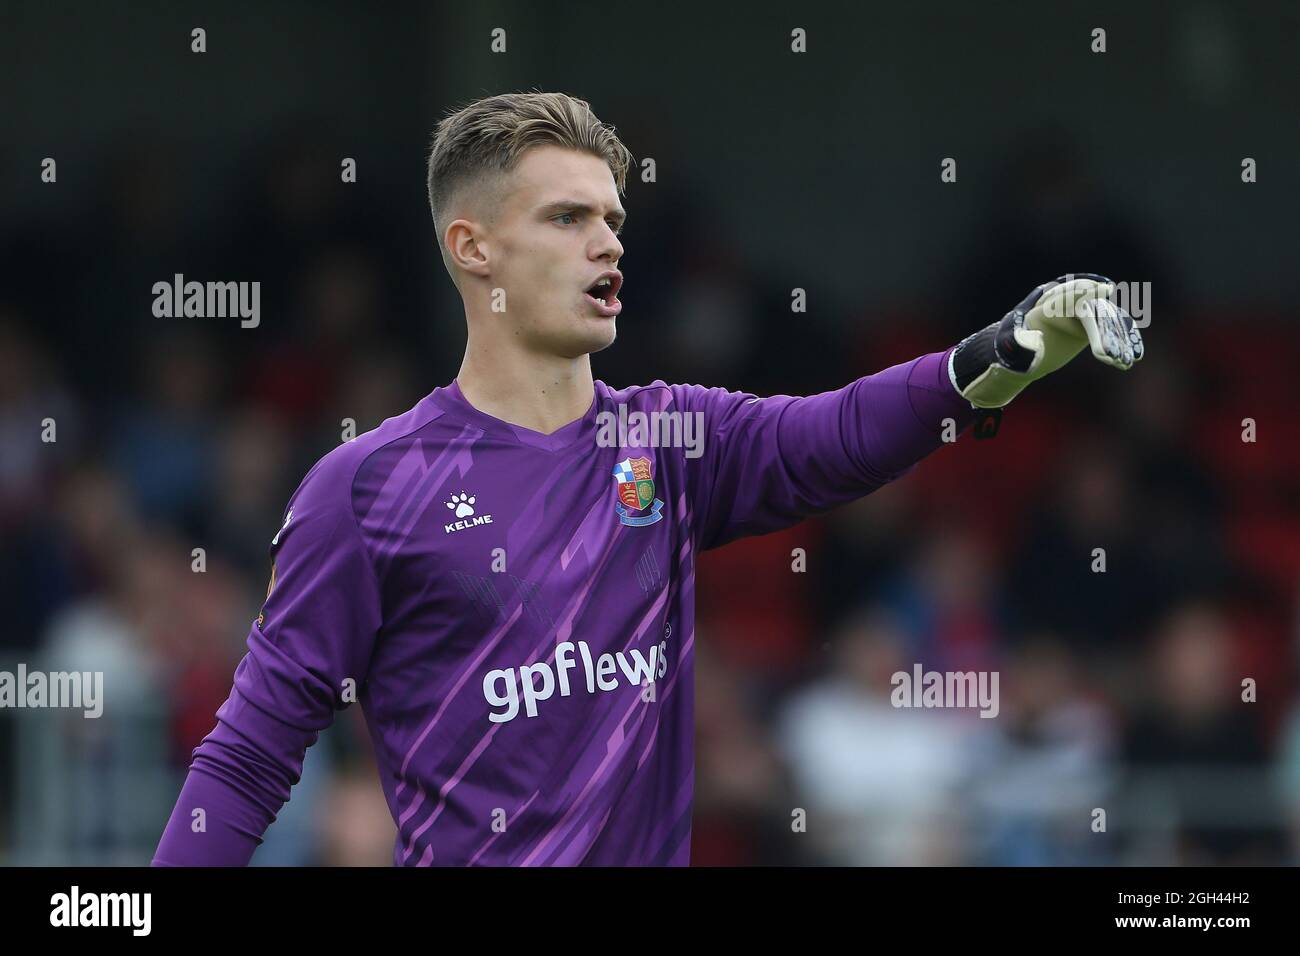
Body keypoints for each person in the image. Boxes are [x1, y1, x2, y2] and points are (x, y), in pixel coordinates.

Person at [153, 90, 1143, 866]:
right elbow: (248, 757)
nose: (608, 241)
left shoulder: (664, 437)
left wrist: (989, 355)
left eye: (613, 217)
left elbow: (829, 434)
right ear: (474, 248)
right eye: (568, 216)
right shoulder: (364, 490)